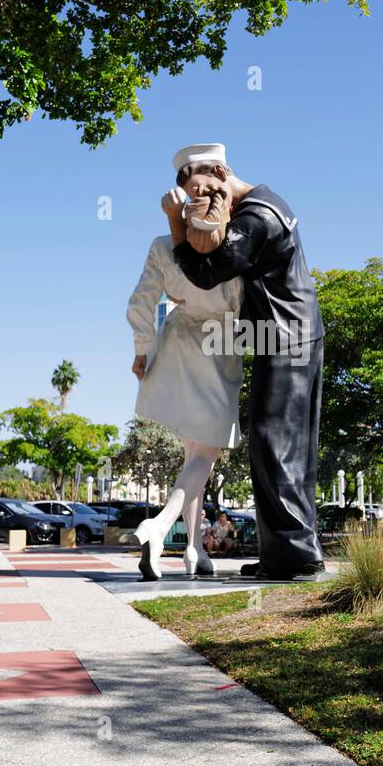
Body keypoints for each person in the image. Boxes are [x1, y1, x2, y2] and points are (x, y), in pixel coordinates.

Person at [164, 143, 326, 580]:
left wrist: (175, 227)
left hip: (286, 337)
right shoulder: (266, 203)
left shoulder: (256, 216)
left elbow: (207, 270)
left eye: (204, 190)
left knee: (275, 443)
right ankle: (288, 553)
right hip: (292, 333)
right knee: (287, 444)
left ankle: (294, 556)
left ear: (221, 171)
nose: (204, 203)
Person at [126, 191, 243, 581]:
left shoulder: (163, 246)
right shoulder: (235, 250)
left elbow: (141, 302)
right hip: (219, 345)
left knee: (193, 454)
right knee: (205, 454)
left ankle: (194, 550)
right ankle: (159, 528)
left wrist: (142, 349)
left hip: (176, 342)